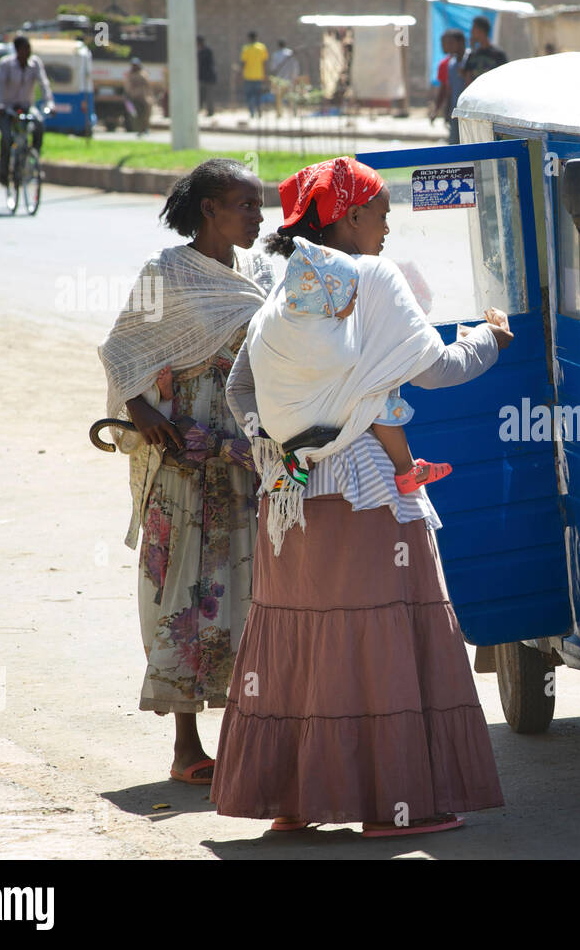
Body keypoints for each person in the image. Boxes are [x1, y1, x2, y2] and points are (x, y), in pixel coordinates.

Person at [211, 156, 513, 836]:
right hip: (368, 496)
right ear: (348, 217)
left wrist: (291, 444)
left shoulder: (288, 285)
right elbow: (435, 369)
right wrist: (488, 339)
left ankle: (293, 805)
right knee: (378, 640)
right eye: (380, 214)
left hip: (289, 502)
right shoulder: (371, 277)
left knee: (303, 646)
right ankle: (390, 807)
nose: (386, 230)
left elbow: (239, 390)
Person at [98, 159, 273, 788]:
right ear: (210, 210)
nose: (258, 217)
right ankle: (186, 747)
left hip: (243, 459)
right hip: (181, 462)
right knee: (184, 593)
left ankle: (247, 740)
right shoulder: (164, 273)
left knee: (247, 593)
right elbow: (121, 350)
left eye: (260, 206)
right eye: (246, 206)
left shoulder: (262, 272)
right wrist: (142, 410)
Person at [261, 238, 454, 497]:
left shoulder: (283, 323)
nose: (355, 302)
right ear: (327, 300)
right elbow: (356, 371)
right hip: (315, 424)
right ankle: (407, 470)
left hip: (280, 424)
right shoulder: (331, 340)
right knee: (377, 396)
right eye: (350, 296)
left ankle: (297, 468)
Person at [0, 35, 53, 191]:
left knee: (39, 125)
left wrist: (50, 104)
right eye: (24, 48)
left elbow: (44, 84)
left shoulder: (35, 64)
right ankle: (4, 173)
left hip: (27, 106)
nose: (27, 52)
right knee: (7, 138)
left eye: (29, 48)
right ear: (17, 50)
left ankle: (33, 160)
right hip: (7, 108)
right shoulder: (6, 64)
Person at [431, 29, 468, 144]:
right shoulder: (451, 64)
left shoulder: (471, 60)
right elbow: (448, 90)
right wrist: (445, 111)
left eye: (450, 42)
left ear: (461, 42)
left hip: (469, 112)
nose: (447, 46)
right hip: (455, 112)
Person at [462, 16, 507, 86]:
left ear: (481, 31)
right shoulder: (473, 54)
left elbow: (503, 77)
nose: (471, 32)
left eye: (473, 29)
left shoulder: (498, 54)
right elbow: (467, 79)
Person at [240, 31, 269, 118]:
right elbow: (264, 62)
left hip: (248, 76)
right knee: (258, 95)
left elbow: (243, 63)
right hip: (258, 75)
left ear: (248, 38)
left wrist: (240, 73)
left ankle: (252, 112)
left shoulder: (246, 48)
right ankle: (259, 110)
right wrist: (265, 74)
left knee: (249, 95)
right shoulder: (261, 47)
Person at [268, 38, 300, 116]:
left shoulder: (276, 55)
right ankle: (294, 112)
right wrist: (295, 76)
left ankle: (279, 113)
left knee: (279, 98)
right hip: (290, 78)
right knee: (291, 96)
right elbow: (295, 66)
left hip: (279, 79)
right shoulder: (290, 53)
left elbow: (273, 67)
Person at [124, 58, 151, 136]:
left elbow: (147, 86)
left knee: (145, 115)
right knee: (136, 116)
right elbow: (127, 86)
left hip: (143, 98)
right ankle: (139, 130)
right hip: (134, 98)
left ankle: (145, 129)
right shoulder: (130, 75)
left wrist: (149, 96)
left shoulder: (143, 74)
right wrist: (127, 95)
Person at [197, 35, 217, 117]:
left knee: (209, 96)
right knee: (200, 96)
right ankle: (198, 110)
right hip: (202, 77)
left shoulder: (206, 51)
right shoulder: (200, 51)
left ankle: (210, 112)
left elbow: (208, 65)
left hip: (208, 77)